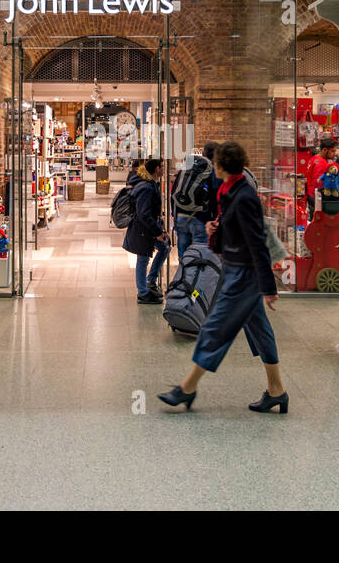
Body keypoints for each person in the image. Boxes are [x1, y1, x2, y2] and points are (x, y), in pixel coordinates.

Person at [158, 142, 288, 414]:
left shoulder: (243, 197)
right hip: (236, 270)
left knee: (215, 328)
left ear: (219, 166)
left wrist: (268, 287)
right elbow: (239, 236)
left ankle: (187, 388)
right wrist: (215, 228)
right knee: (260, 332)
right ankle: (277, 391)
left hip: (244, 276)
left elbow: (257, 245)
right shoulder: (231, 192)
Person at [123, 158, 169, 304]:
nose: (163, 169)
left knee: (164, 248)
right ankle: (143, 293)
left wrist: (159, 227)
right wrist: (157, 232)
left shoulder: (150, 184)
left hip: (149, 227)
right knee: (142, 259)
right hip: (143, 229)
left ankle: (150, 280)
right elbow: (144, 214)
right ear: (156, 169)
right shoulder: (146, 187)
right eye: (162, 167)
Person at [172, 141, 222, 257]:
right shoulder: (213, 171)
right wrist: (215, 219)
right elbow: (216, 197)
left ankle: (184, 274)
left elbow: (174, 190)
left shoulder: (188, 166)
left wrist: (174, 215)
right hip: (201, 218)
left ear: (203, 153)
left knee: (183, 256)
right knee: (200, 257)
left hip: (181, 216)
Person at [304, 138, 337, 221]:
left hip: (311, 195)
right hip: (316, 197)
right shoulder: (321, 163)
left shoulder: (314, 158)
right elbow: (318, 183)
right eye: (332, 151)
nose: (334, 154)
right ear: (325, 150)